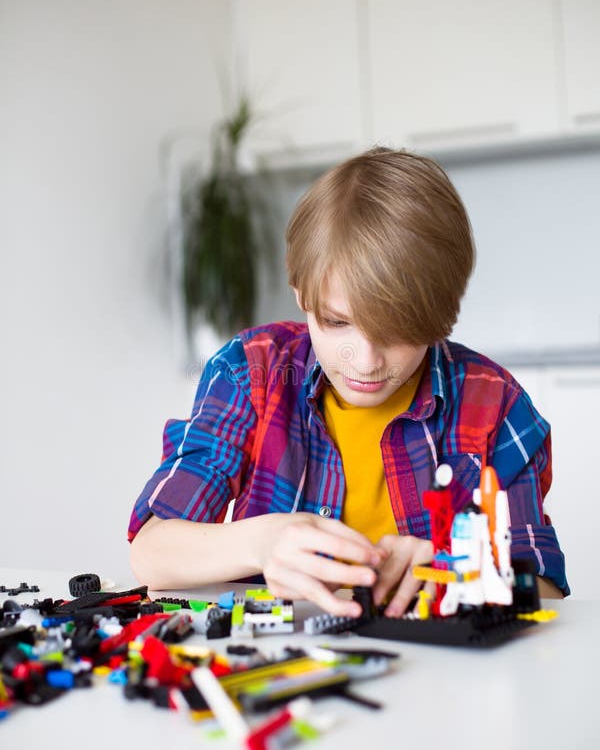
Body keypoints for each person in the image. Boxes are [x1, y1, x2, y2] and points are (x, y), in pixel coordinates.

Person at [129, 148, 568, 617]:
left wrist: (463, 570)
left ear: (441, 316)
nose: (364, 361)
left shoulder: (494, 402)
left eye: (397, 331)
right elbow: (151, 554)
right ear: (301, 293)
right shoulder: (250, 372)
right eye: (337, 322)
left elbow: (544, 587)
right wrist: (261, 542)